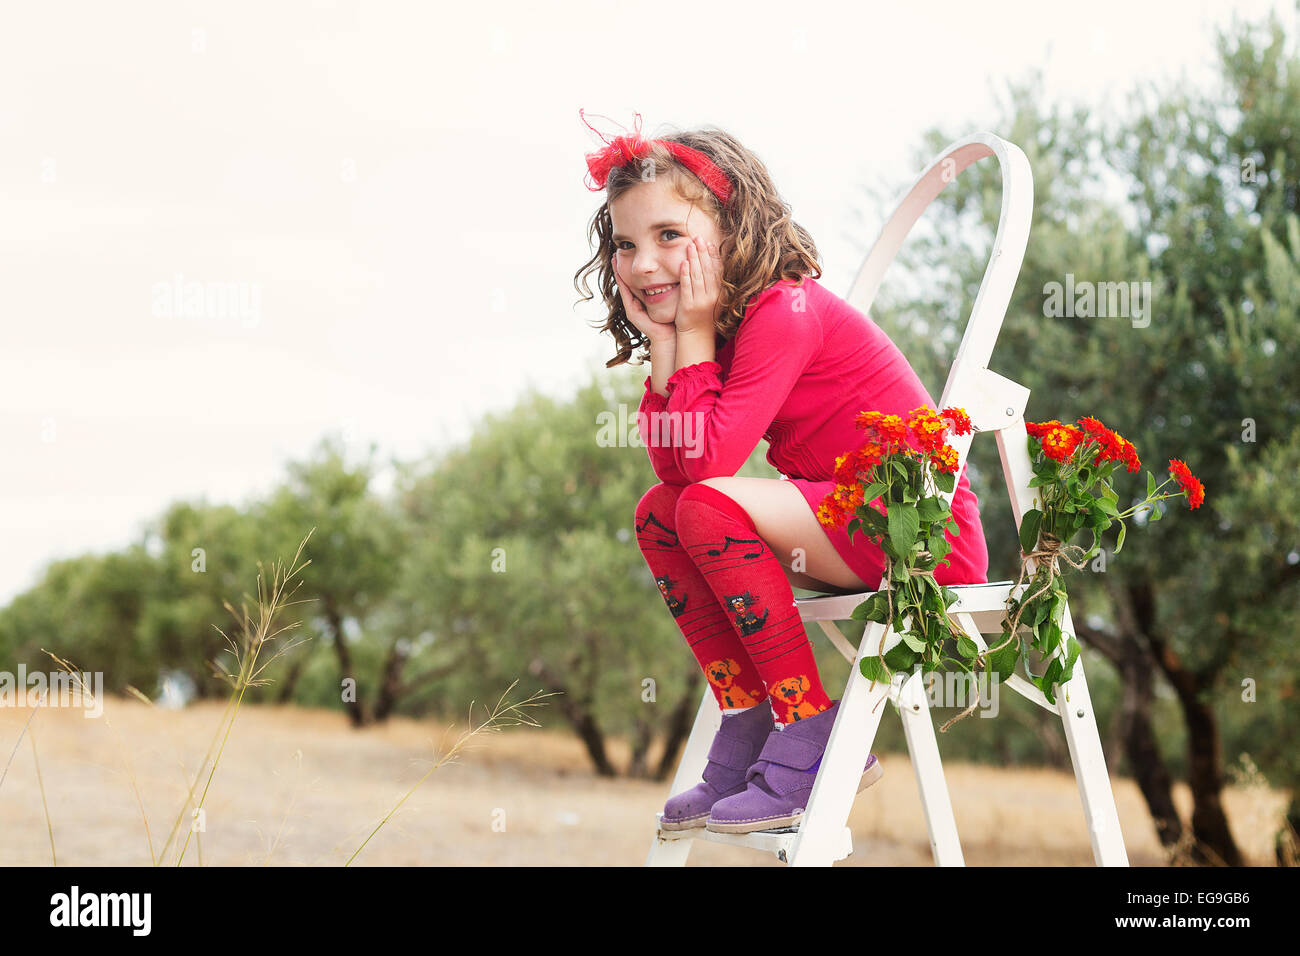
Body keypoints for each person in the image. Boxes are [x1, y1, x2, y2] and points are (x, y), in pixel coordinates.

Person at [572, 110, 989, 834]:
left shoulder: (785, 311)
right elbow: (673, 469)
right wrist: (667, 343)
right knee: (658, 512)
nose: (642, 266)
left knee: (705, 505)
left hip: (921, 532)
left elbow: (707, 466)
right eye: (627, 244)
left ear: (732, 230)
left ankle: (810, 723)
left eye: (670, 236)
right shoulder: (726, 327)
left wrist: (691, 332)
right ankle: (748, 714)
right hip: (846, 529)